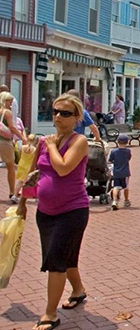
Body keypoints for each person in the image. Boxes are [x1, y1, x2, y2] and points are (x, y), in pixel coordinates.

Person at [16, 92, 91, 330]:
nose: (58, 116)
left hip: (72, 210)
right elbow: (35, 174)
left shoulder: (79, 141)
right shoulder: (47, 141)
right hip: (45, 211)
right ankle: (78, 290)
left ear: (77, 117)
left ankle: (50, 314)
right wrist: (22, 203)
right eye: (55, 111)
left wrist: (49, 145)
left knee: (55, 260)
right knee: (64, 257)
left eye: (65, 113)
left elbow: (63, 168)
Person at [0, 91, 27, 203]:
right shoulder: (7, 112)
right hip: (5, 142)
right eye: (10, 100)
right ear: (5, 101)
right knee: (10, 166)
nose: (11, 102)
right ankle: (12, 192)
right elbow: (13, 127)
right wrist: (22, 137)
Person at [108, 134, 132, 210]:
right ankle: (126, 200)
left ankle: (115, 201)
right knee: (125, 187)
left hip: (116, 172)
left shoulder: (114, 151)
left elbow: (110, 160)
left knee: (116, 187)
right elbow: (129, 158)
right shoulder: (128, 151)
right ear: (127, 142)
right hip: (125, 173)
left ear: (117, 141)